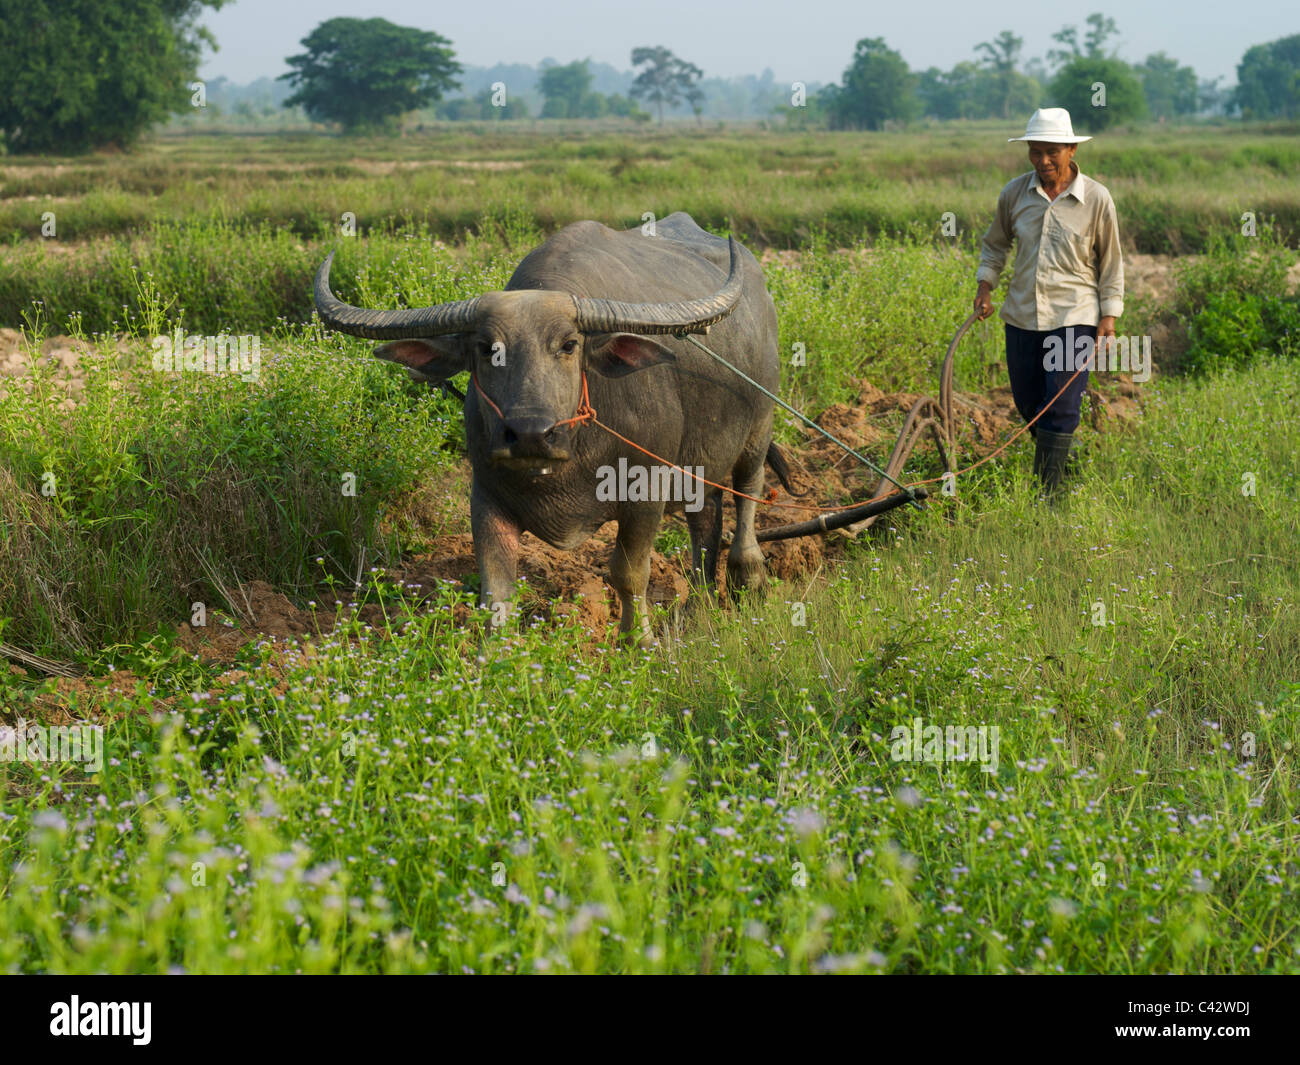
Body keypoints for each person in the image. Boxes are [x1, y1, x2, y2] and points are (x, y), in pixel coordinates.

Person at [974, 107, 1125, 495]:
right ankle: (1069, 469)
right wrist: (985, 287)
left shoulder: (1096, 199)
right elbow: (994, 246)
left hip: (1074, 316)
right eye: (1035, 152)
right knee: (1030, 408)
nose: (1043, 161)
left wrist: (1108, 316)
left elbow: (1111, 260)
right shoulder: (1014, 194)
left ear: (1072, 149)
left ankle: (1049, 499)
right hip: (1022, 316)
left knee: (1060, 407)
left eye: (1051, 152)